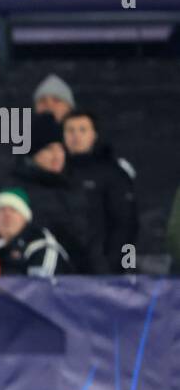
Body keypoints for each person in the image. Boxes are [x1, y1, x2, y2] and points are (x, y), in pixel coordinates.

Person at [4, 114, 99, 273]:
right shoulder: (17, 192)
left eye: (60, 149)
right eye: (48, 149)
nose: (56, 156)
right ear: (33, 154)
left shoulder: (75, 186)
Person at [61, 110, 138, 273]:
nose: (76, 136)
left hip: (102, 271)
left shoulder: (113, 173)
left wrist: (121, 267)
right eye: (70, 130)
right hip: (61, 272)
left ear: (94, 135)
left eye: (82, 130)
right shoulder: (54, 172)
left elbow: (127, 225)